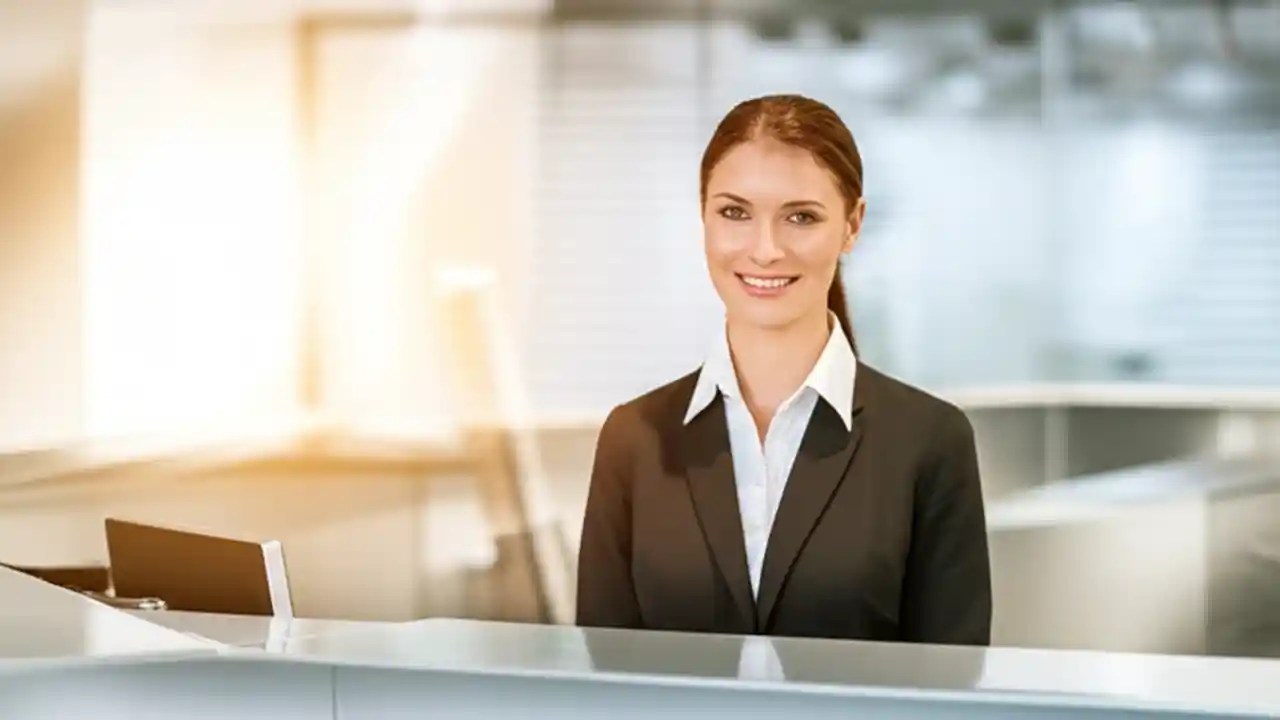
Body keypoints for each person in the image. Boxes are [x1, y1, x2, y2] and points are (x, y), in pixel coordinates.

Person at [576, 94, 991, 645]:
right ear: (702, 216)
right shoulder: (634, 440)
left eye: (800, 217)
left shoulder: (929, 441)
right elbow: (601, 684)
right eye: (734, 213)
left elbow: (952, 686)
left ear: (852, 225)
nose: (765, 249)